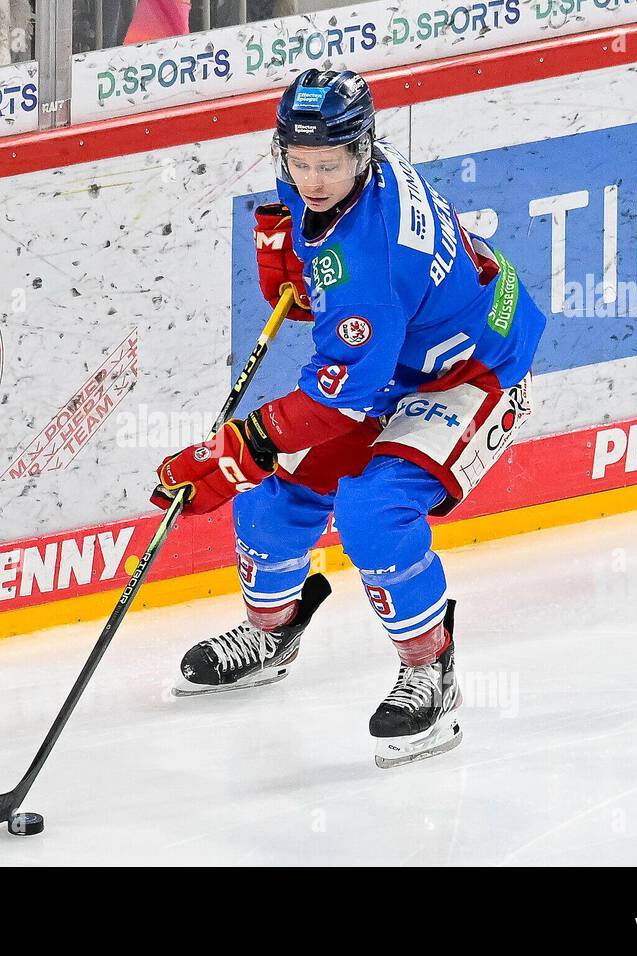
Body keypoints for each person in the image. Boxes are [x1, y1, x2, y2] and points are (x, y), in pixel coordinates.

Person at [151, 68, 546, 768]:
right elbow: (315, 237)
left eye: (327, 165)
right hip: (399, 353)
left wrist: (240, 446)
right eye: (297, 163)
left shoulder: (371, 258)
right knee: (272, 506)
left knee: (373, 508)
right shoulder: (335, 172)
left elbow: (339, 398)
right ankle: (271, 634)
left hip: (473, 370)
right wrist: (291, 247)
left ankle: (431, 671)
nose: (310, 180)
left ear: (364, 151)